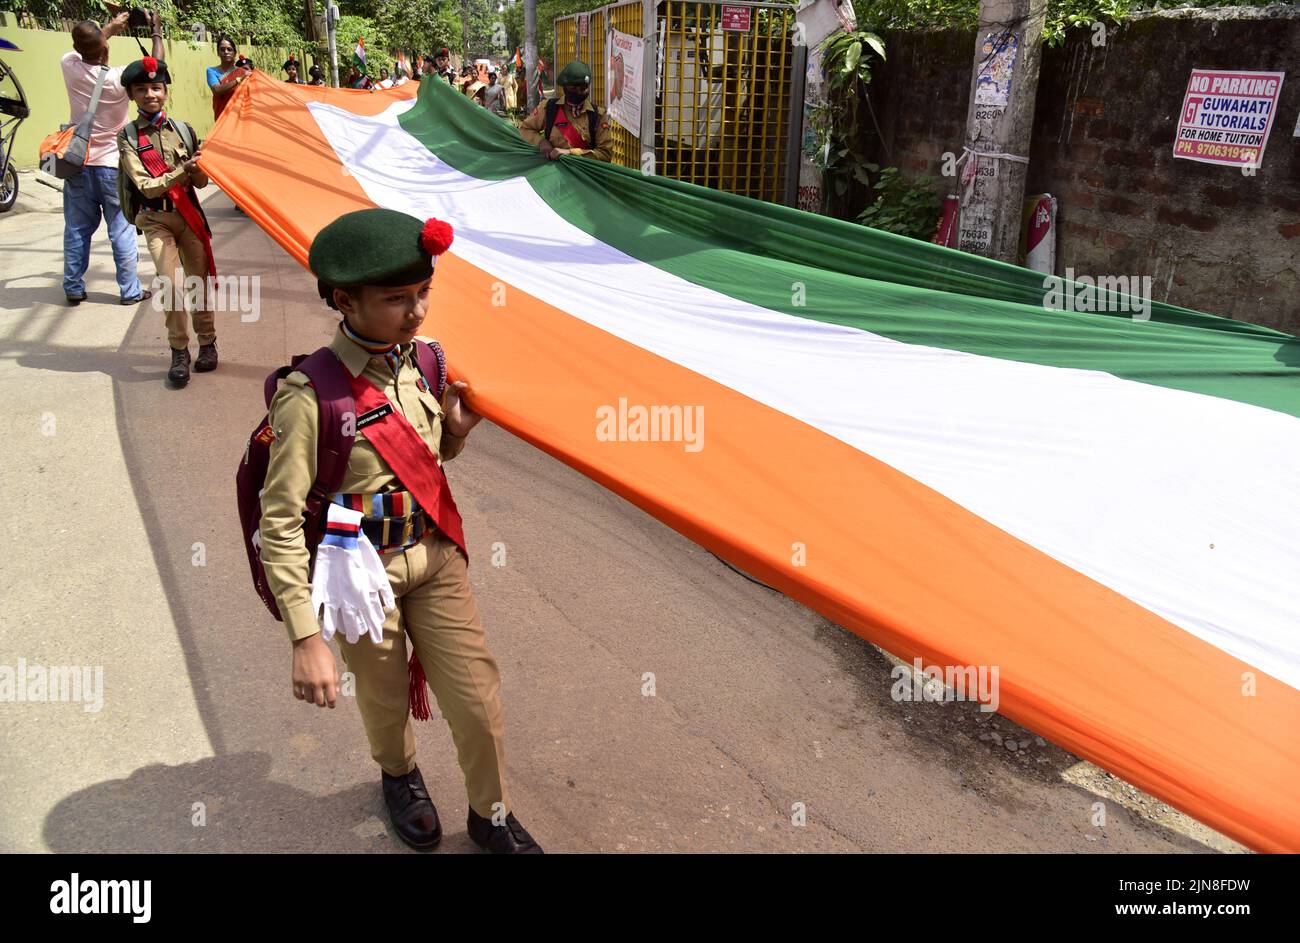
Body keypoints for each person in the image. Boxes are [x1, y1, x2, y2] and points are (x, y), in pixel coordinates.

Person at [259, 207, 543, 854]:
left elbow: (424, 457)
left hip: (435, 558)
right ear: (344, 299)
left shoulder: (426, 365)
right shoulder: (311, 396)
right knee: (383, 702)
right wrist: (305, 634)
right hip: (360, 575)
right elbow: (279, 523)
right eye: (395, 299)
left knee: (477, 698)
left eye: (422, 293)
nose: (416, 311)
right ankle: (399, 775)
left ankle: (489, 812)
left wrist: (454, 435)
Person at [117, 56, 217, 387]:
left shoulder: (184, 131)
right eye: (142, 89)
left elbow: (200, 184)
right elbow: (144, 184)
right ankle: (178, 351)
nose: (150, 95)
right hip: (155, 218)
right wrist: (181, 172)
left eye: (156, 88)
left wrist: (200, 168)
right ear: (132, 95)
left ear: (165, 92)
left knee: (197, 283)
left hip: (188, 217)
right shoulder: (129, 137)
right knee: (171, 286)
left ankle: (208, 344)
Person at [59, 12, 162, 306]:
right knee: (121, 230)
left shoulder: (69, 66)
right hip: (112, 166)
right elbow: (153, 69)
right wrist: (155, 31)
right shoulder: (119, 79)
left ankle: (73, 286)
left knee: (77, 229)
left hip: (77, 164)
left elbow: (86, 47)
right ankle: (129, 291)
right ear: (105, 47)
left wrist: (111, 29)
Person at [519, 60, 613, 163]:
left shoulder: (598, 116)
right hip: (553, 173)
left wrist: (570, 153)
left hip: (583, 174)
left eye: (583, 88)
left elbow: (605, 154)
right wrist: (541, 142)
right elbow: (525, 129)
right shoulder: (548, 108)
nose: (579, 92)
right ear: (564, 88)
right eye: (573, 88)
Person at [206, 35, 250, 120]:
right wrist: (239, 80)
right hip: (222, 118)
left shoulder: (243, 73)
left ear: (235, 53)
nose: (226, 52)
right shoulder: (211, 71)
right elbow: (217, 90)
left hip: (240, 118)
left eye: (229, 49)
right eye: (222, 49)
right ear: (218, 53)